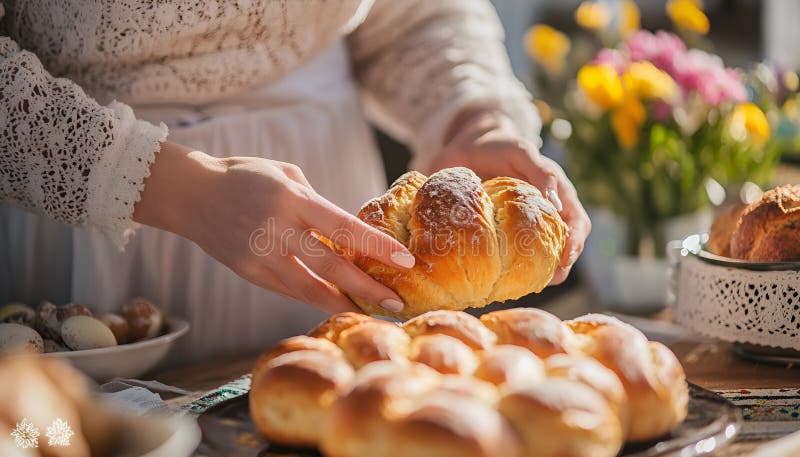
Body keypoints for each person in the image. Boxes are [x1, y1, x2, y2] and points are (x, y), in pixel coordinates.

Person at [0, 1, 590, 362]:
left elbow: (414, 14)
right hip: (101, 213)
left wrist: (472, 117)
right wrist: (170, 185)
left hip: (333, 226)